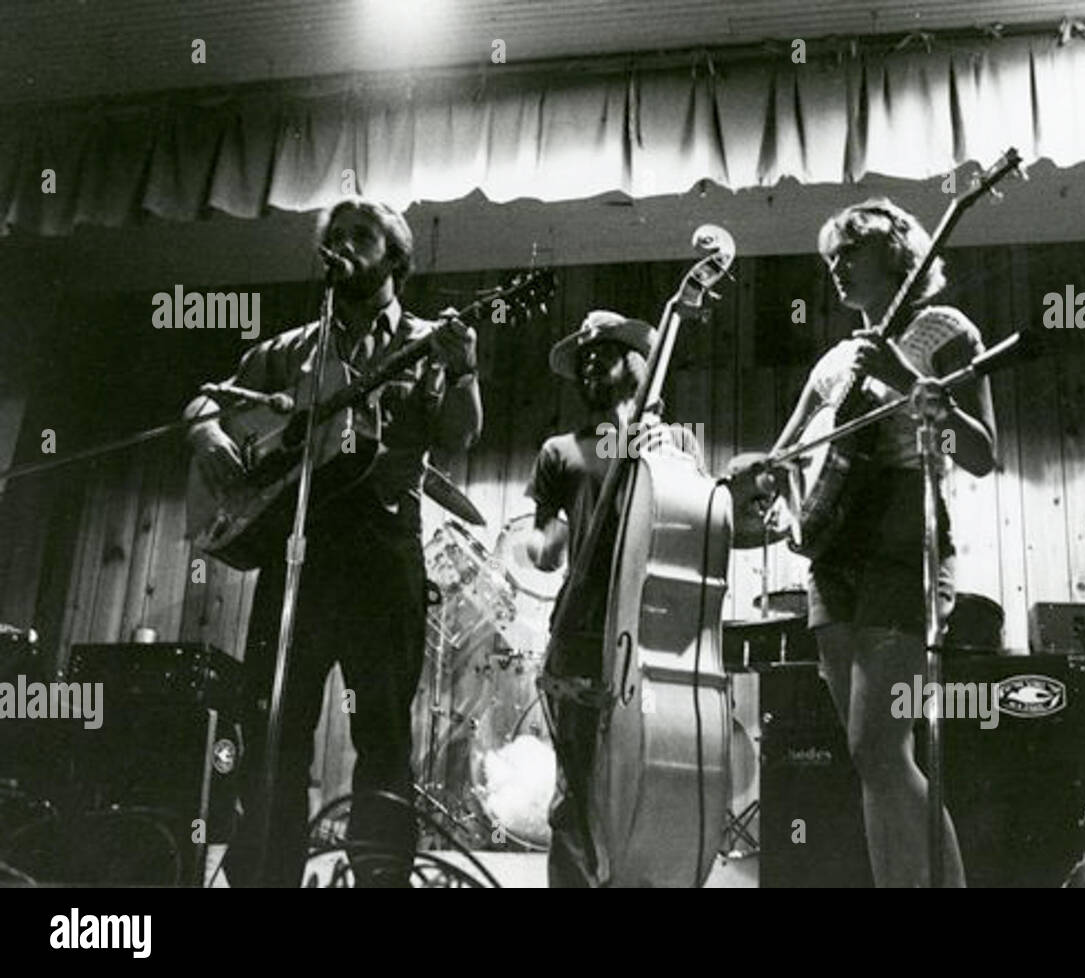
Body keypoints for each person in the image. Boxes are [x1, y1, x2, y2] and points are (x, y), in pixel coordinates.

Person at [183, 198, 482, 886]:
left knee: (382, 733)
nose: (343, 245)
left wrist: (463, 371)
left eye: (362, 236)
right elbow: (204, 400)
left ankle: (379, 878)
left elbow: (460, 434)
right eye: (335, 236)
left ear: (394, 257)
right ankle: (266, 876)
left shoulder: (429, 336)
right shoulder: (291, 348)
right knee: (273, 728)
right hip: (299, 554)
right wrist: (206, 433)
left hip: (384, 553)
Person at [769, 198, 996, 887]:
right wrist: (781, 502)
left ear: (897, 250)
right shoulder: (836, 360)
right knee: (867, 756)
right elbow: (780, 456)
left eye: (851, 250)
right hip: (834, 548)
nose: (836, 266)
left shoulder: (944, 328)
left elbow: (983, 453)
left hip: (906, 533)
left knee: (882, 744)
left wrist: (911, 383)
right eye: (831, 256)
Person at [522, 310, 704, 887]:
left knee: (649, 774)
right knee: (573, 782)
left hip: (652, 633)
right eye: (583, 364)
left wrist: (665, 453)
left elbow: (693, 519)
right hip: (580, 627)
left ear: (640, 364)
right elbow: (544, 535)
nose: (590, 367)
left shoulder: (675, 440)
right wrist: (541, 543)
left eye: (604, 356)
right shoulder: (559, 451)